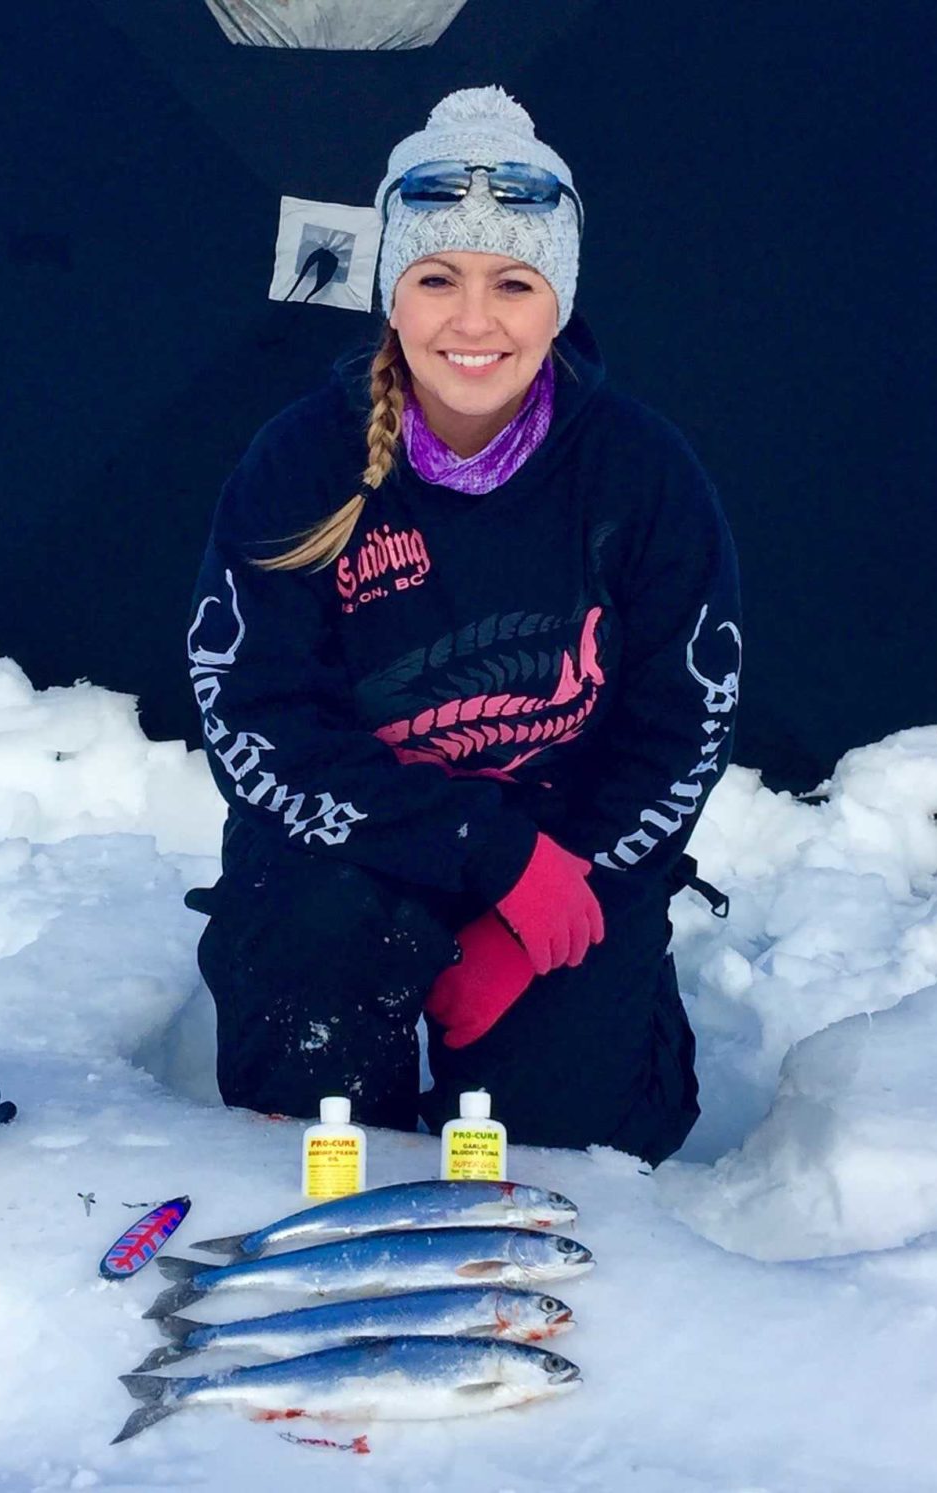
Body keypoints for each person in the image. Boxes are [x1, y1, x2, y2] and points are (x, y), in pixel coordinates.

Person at [183, 85, 741, 1167]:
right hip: (354, 844)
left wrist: (547, 889)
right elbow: (253, 714)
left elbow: (681, 725)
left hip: (564, 851)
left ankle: (607, 1017)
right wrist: (475, 855)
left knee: (568, 1138)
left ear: (559, 300)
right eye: (436, 276)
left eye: (513, 282)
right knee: (309, 1120)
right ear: (392, 290)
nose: (473, 320)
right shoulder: (302, 460)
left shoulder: (644, 472)